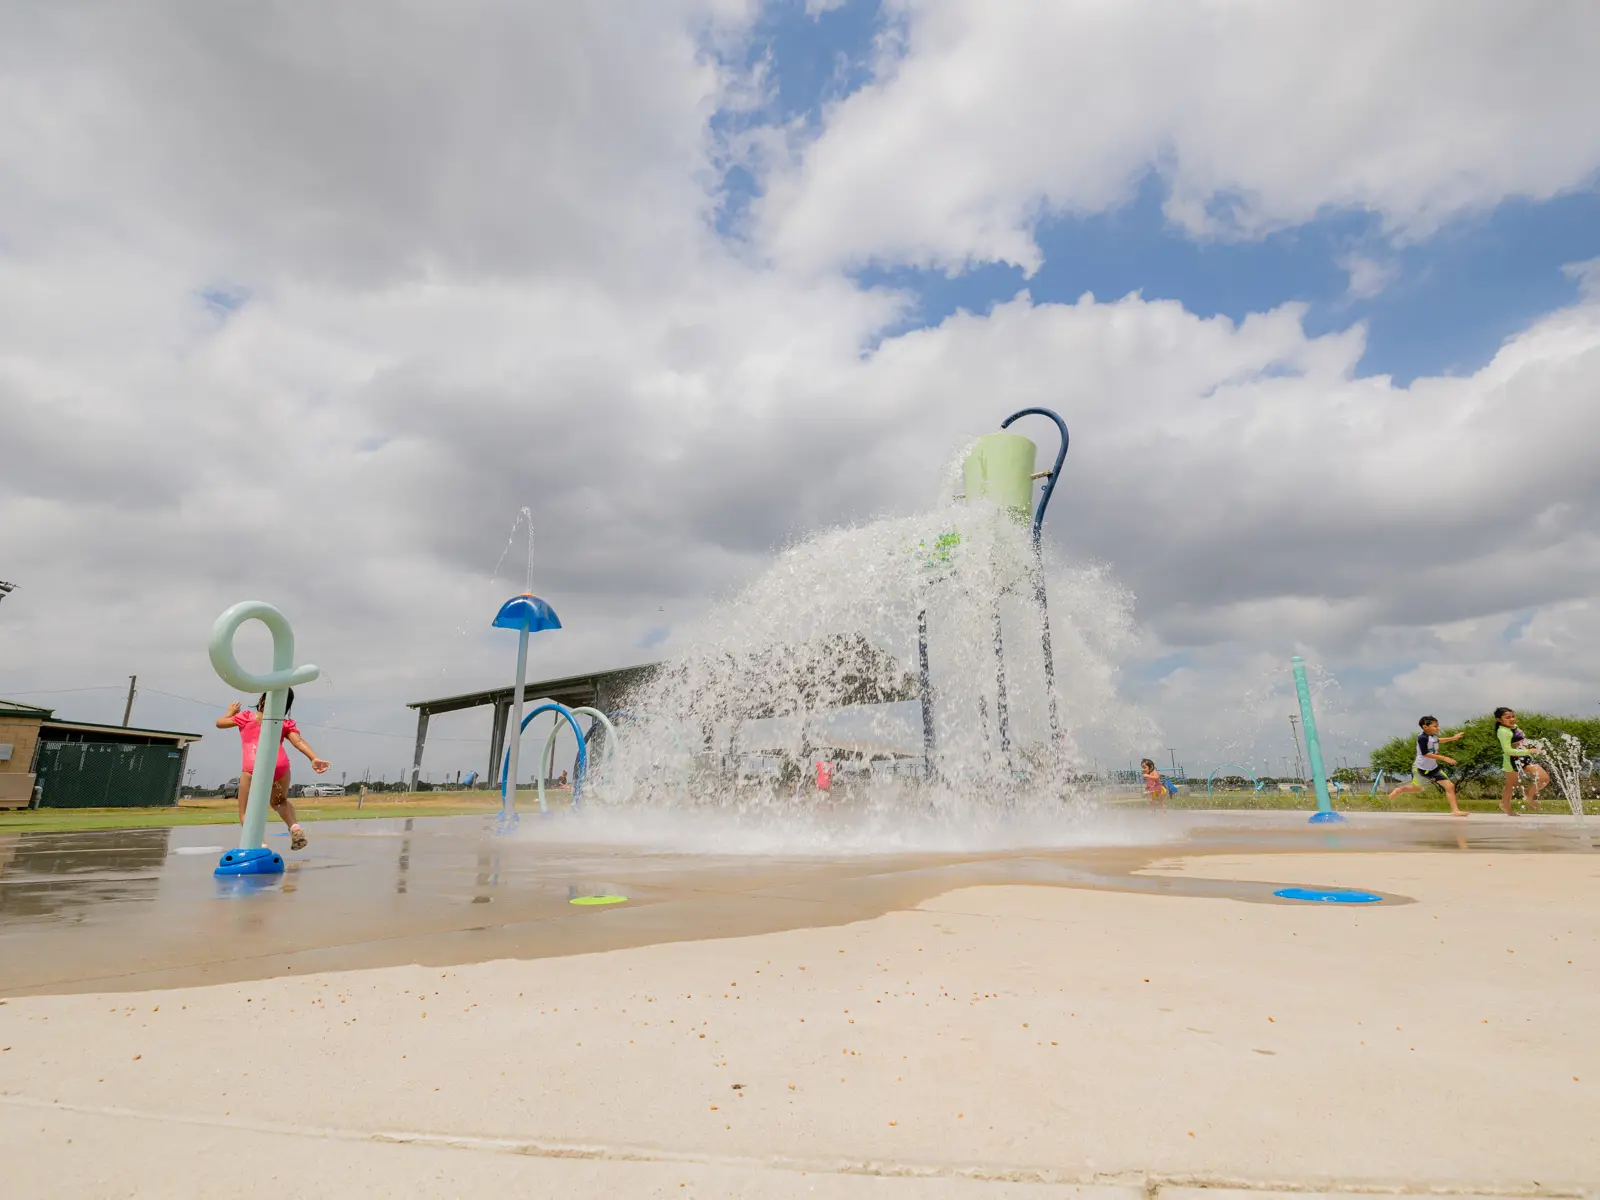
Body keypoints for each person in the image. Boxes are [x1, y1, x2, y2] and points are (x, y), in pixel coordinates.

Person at [216, 688, 330, 850]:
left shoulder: (246, 717)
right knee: (280, 802)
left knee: (246, 811)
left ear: (262, 700)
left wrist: (230, 713)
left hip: (253, 765)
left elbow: (220, 723)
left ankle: (260, 844)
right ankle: (294, 827)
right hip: (279, 764)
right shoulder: (284, 723)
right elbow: (298, 741)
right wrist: (313, 758)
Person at [1388, 715, 1466, 815]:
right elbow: (1425, 754)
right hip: (1420, 769)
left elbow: (1438, 740)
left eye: (1438, 726)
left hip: (1434, 768)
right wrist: (1444, 758)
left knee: (1450, 786)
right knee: (1417, 789)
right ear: (1425, 727)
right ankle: (1400, 790)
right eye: (1435, 726)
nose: (1438, 728)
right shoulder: (1422, 738)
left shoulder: (1433, 736)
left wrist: (1453, 738)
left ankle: (1455, 811)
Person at [1494, 707, 1545, 815]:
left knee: (1544, 778)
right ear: (1498, 720)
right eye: (1508, 717)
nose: (1512, 719)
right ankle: (1505, 806)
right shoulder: (1503, 732)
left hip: (1524, 757)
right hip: (1511, 761)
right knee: (1511, 785)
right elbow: (1507, 751)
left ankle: (1529, 794)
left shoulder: (1514, 726)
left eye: (1513, 716)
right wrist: (1528, 751)